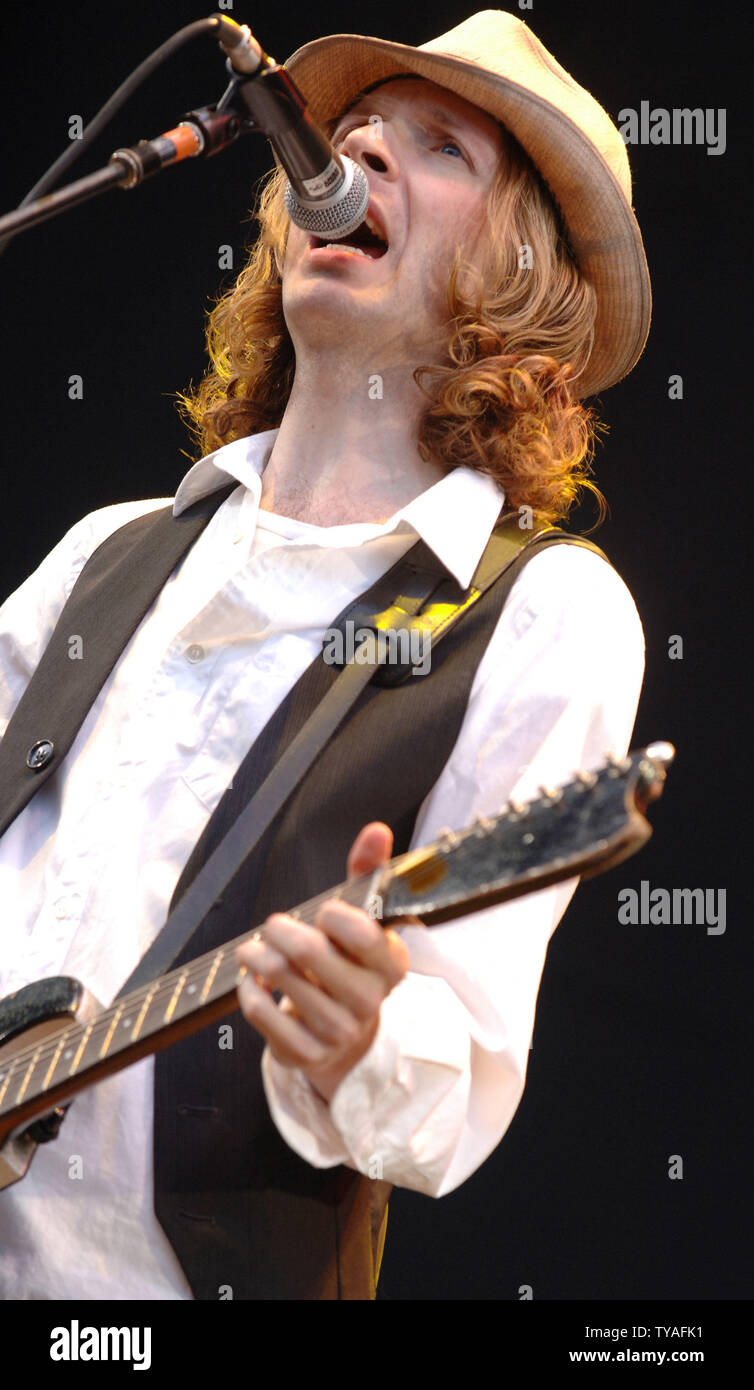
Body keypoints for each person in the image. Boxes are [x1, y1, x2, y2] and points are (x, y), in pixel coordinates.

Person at [0, 10, 649, 1299]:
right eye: (355, 130)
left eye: (442, 147)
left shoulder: (539, 615)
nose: (357, 149)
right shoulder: (108, 555)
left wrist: (360, 1037)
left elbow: (450, 1087)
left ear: (519, 272)